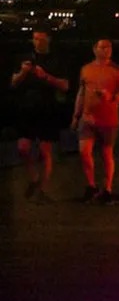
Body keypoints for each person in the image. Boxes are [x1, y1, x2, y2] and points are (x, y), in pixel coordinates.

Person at [10, 27, 70, 203]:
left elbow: (65, 86)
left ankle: (42, 189)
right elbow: (13, 83)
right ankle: (34, 178)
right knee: (23, 148)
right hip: (27, 109)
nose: (38, 43)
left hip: (47, 108)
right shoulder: (24, 58)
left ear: (49, 40)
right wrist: (23, 72)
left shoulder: (57, 60)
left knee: (45, 151)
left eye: (41, 39)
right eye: (35, 39)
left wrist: (46, 77)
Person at [71, 39, 119, 205]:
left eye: (109, 47)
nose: (106, 50)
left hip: (108, 119)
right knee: (84, 152)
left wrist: (111, 97)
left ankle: (107, 189)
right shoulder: (86, 69)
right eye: (102, 47)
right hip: (87, 118)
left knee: (106, 155)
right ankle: (91, 186)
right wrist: (76, 116)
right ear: (94, 49)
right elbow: (81, 93)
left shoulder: (118, 71)